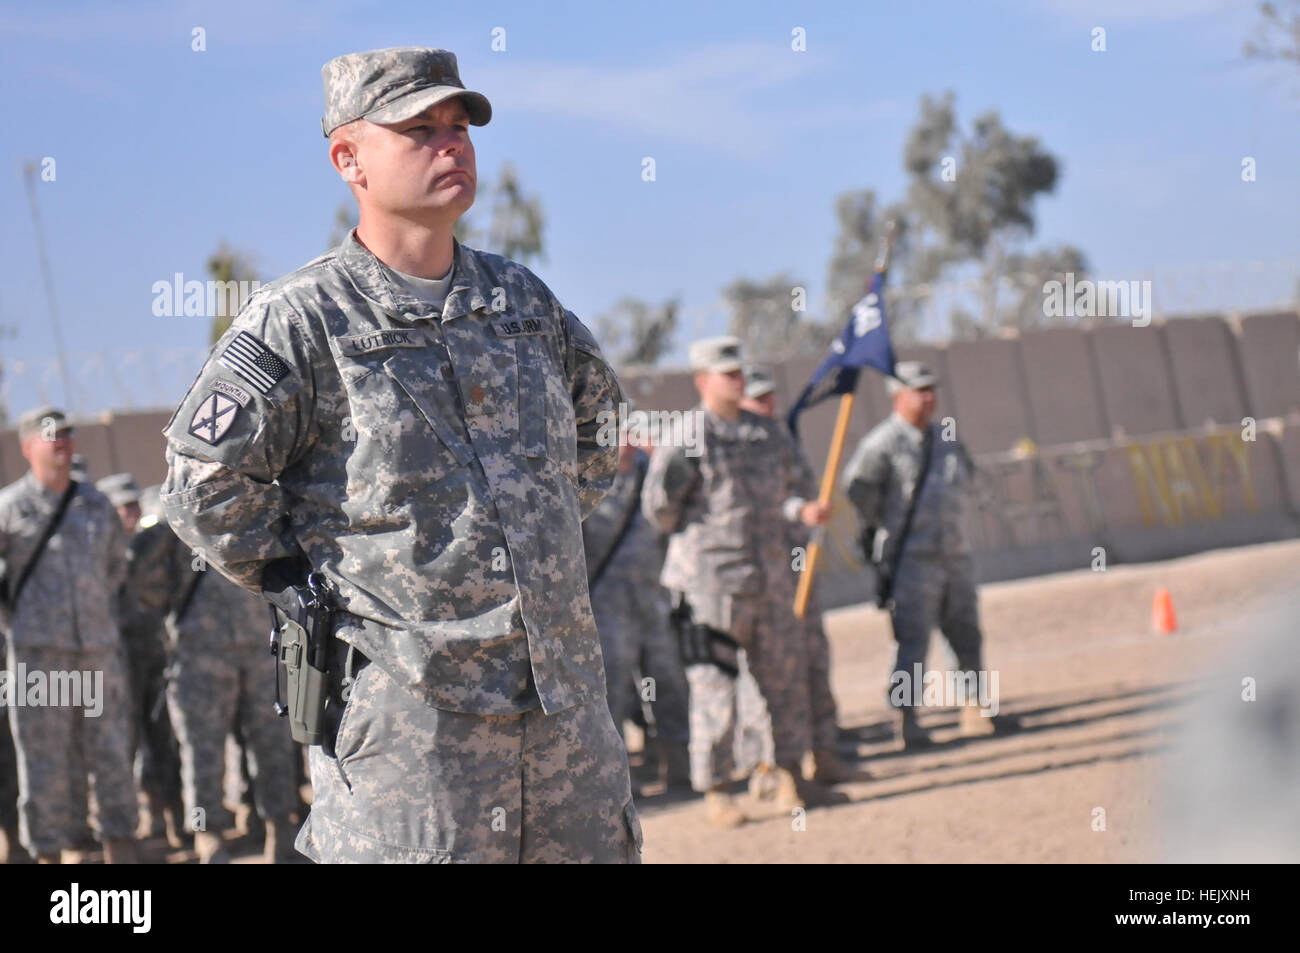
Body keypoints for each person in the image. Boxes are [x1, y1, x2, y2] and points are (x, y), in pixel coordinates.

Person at [160, 46, 637, 863]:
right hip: (413, 723)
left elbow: (597, 431)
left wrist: (526, 540)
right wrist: (313, 585)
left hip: (563, 711)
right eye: (420, 129)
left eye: (459, 128)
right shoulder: (302, 320)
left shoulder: (521, 301)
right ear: (349, 158)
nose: (451, 145)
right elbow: (203, 484)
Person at [642, 338, 840, 828]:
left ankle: (788, 775)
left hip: (770, 579)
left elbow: (790, 494)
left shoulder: (768, 434)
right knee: (715, 690)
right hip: (711, 587)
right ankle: (717, 788)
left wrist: (803, 511)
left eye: (740, 373)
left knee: (784, 682)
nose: (737, 380)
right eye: (726, 373)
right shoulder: (689, 436)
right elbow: (660, 509)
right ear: (702, 380)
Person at [0, 407, 138, 863]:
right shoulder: (9, 508)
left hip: (97, 653)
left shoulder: (96, 504)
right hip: (39, 660)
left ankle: (119, 847)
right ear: (27, 447)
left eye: (65, 434)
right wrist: (20, 625)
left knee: (112, 756)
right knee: (44, 765)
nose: (59, 441)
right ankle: (47, 854)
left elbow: (116, 569)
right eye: (48, 435)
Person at [840, 362, 1003, 748]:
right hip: (911, 561)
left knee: (966, 634)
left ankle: (973, 705)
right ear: (898, 396)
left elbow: (968, 478)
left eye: (932, 389)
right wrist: (886, 528)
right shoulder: (881, 444)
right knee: (911, 642)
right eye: (920, 390)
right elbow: (858, 491)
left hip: (954, 555)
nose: (929, 397)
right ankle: (907, 717)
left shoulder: (946, 437)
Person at [126, 512, 300, 863]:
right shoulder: (177, 518)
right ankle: (207, 833)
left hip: (257, 648)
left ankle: (280, 828)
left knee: (272, 745)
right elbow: (143, 580)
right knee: (202, 751)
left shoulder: (254, 506)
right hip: (199, 654)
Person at [738, 367, 860, 784]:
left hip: (798, 566)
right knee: (771, 676)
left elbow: (808, 490)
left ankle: (823, 753)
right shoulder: (734, 449)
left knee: (813, 661)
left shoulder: (783, 442)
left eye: (770, 397)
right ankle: (770, 769)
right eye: (757, 399)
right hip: (759, 580)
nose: (767, 405)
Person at [582, 435, 690, 789]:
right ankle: (619, 782)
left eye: (628, 430)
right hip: (607, 608)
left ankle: (679, 767)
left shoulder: (654, 473)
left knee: (667, 682)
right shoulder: (584, 482)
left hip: (653, 601)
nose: (624, 441)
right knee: (612, 693)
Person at [97, 473, 186, 850]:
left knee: (163, 740)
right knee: (121, 746)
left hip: (155, 658)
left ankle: (171, 818)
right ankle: (127, 829)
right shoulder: (98, 557)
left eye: (133, 505)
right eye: (121, 507)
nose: (129, 513)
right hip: (116, 666)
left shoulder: (155, 547)